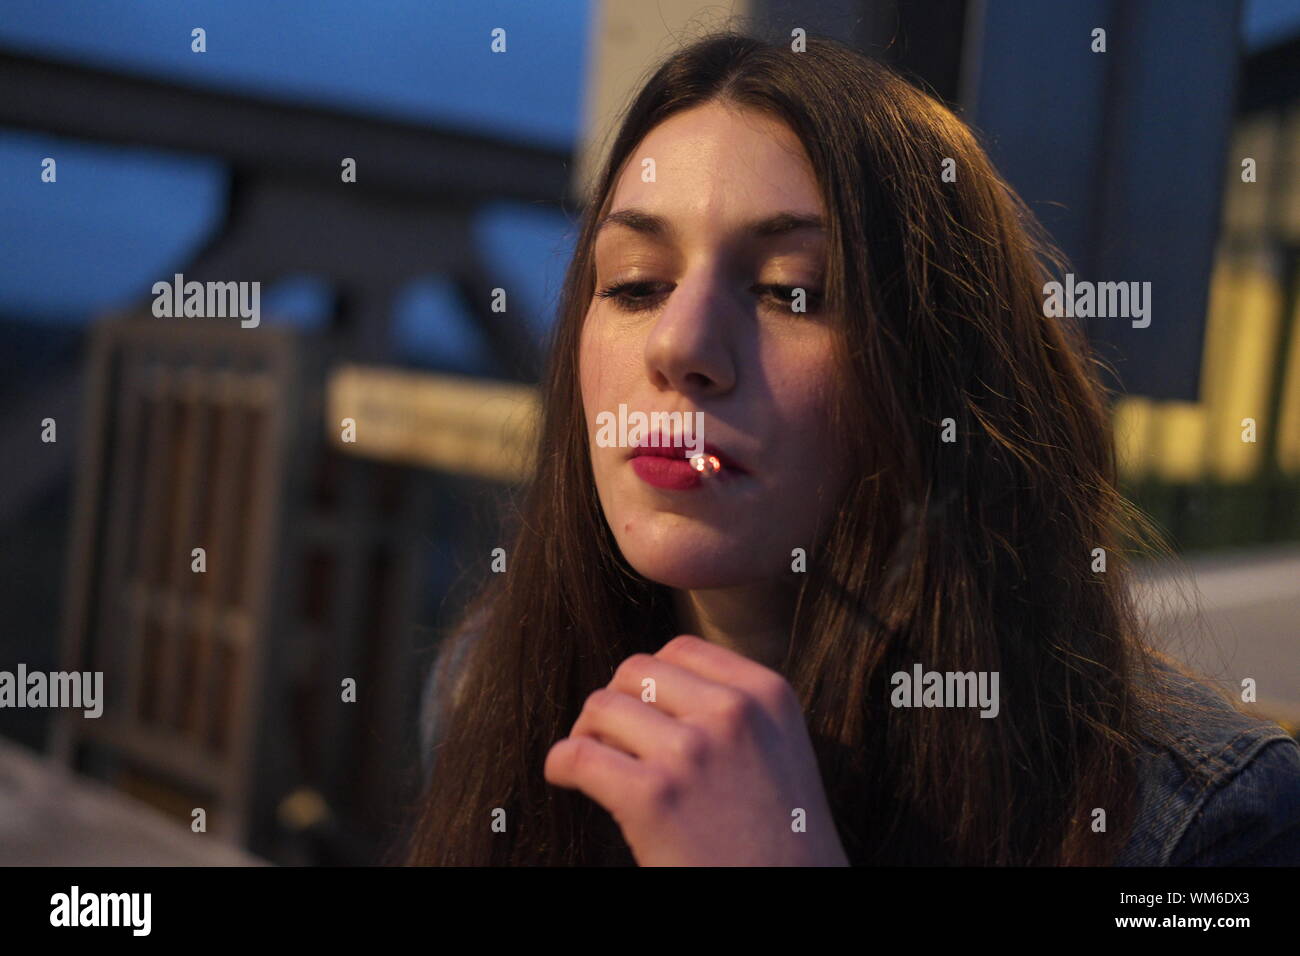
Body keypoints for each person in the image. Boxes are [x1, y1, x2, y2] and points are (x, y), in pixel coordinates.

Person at [401, 31, 1300, 866]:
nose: (679, 346)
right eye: (638, 285)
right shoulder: (487, 685)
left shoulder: (1203, 822)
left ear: (935, 377)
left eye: (791, 293)